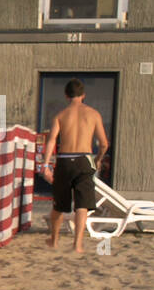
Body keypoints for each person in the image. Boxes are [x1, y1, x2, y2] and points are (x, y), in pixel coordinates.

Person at [42, 78, 108, 254]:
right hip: (85, 159)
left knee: (59, 205)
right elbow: (104, 144)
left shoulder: (60, 116)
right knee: (82, 204)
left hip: (64, 160)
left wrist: (46, 164)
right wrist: (98, 159)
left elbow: (51, 141)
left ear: (66, 95)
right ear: (83, 95)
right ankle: (77, 244)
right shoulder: (94, 114)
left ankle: (54, 240)